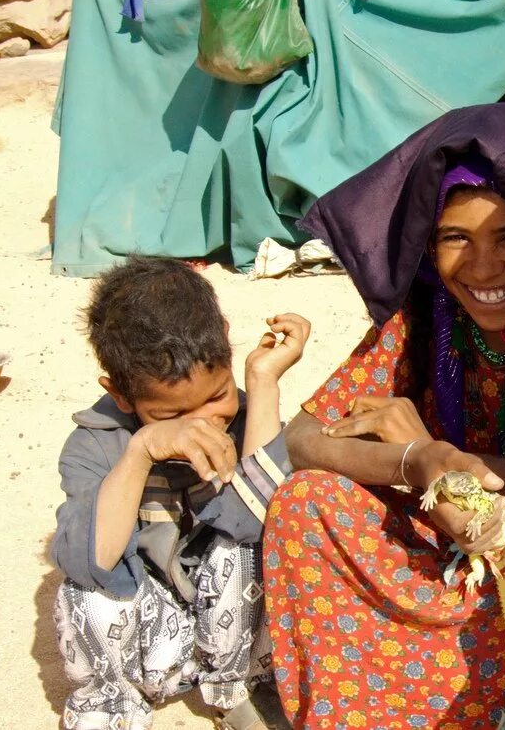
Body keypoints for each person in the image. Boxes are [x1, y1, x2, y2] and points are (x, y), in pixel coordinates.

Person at [262, 103, 505, 729]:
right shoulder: (427, 313)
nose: (482, 268)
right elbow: (303, 436)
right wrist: (418, 460)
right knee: (303, 502)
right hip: (446, 549)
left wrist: (463, 478)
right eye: (455, 238)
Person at [51, 257, 310, 730]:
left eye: (215, 397)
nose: (202, 423)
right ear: (123, 396)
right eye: (169, 414)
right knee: (82, 592)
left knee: (250, 546)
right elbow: (90, 562)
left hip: (240, 638)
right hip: (154, 646)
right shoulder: (96, 443)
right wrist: (141, 451)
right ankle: (112, 709)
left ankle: (233, 692)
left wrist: (263, 382)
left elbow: (261, 525)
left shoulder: (250, 420)